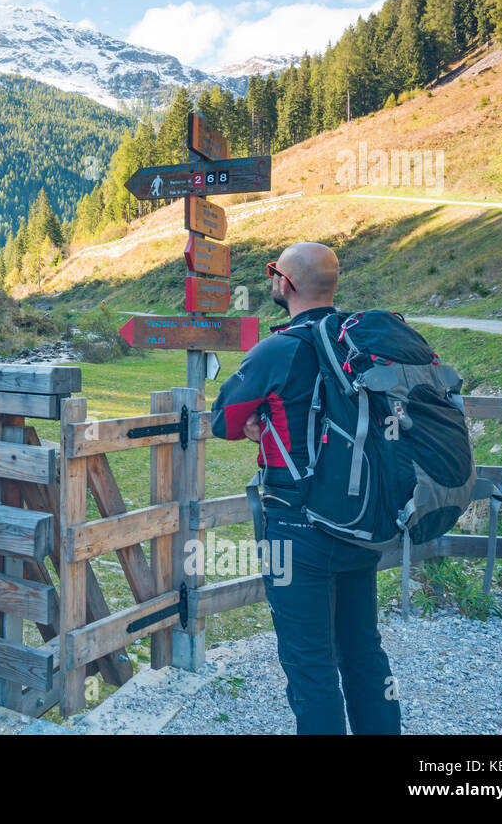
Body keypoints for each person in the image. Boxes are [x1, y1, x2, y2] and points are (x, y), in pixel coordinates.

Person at [210, 241, 402, 735]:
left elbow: (222, 419)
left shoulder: (280, 347)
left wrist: (257, 415)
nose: (272, 278)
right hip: (359, 521)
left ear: (286, 283)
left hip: (295, 532)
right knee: (363, 652)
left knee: (310, 666)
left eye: (274, 271)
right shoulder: (358, 343)